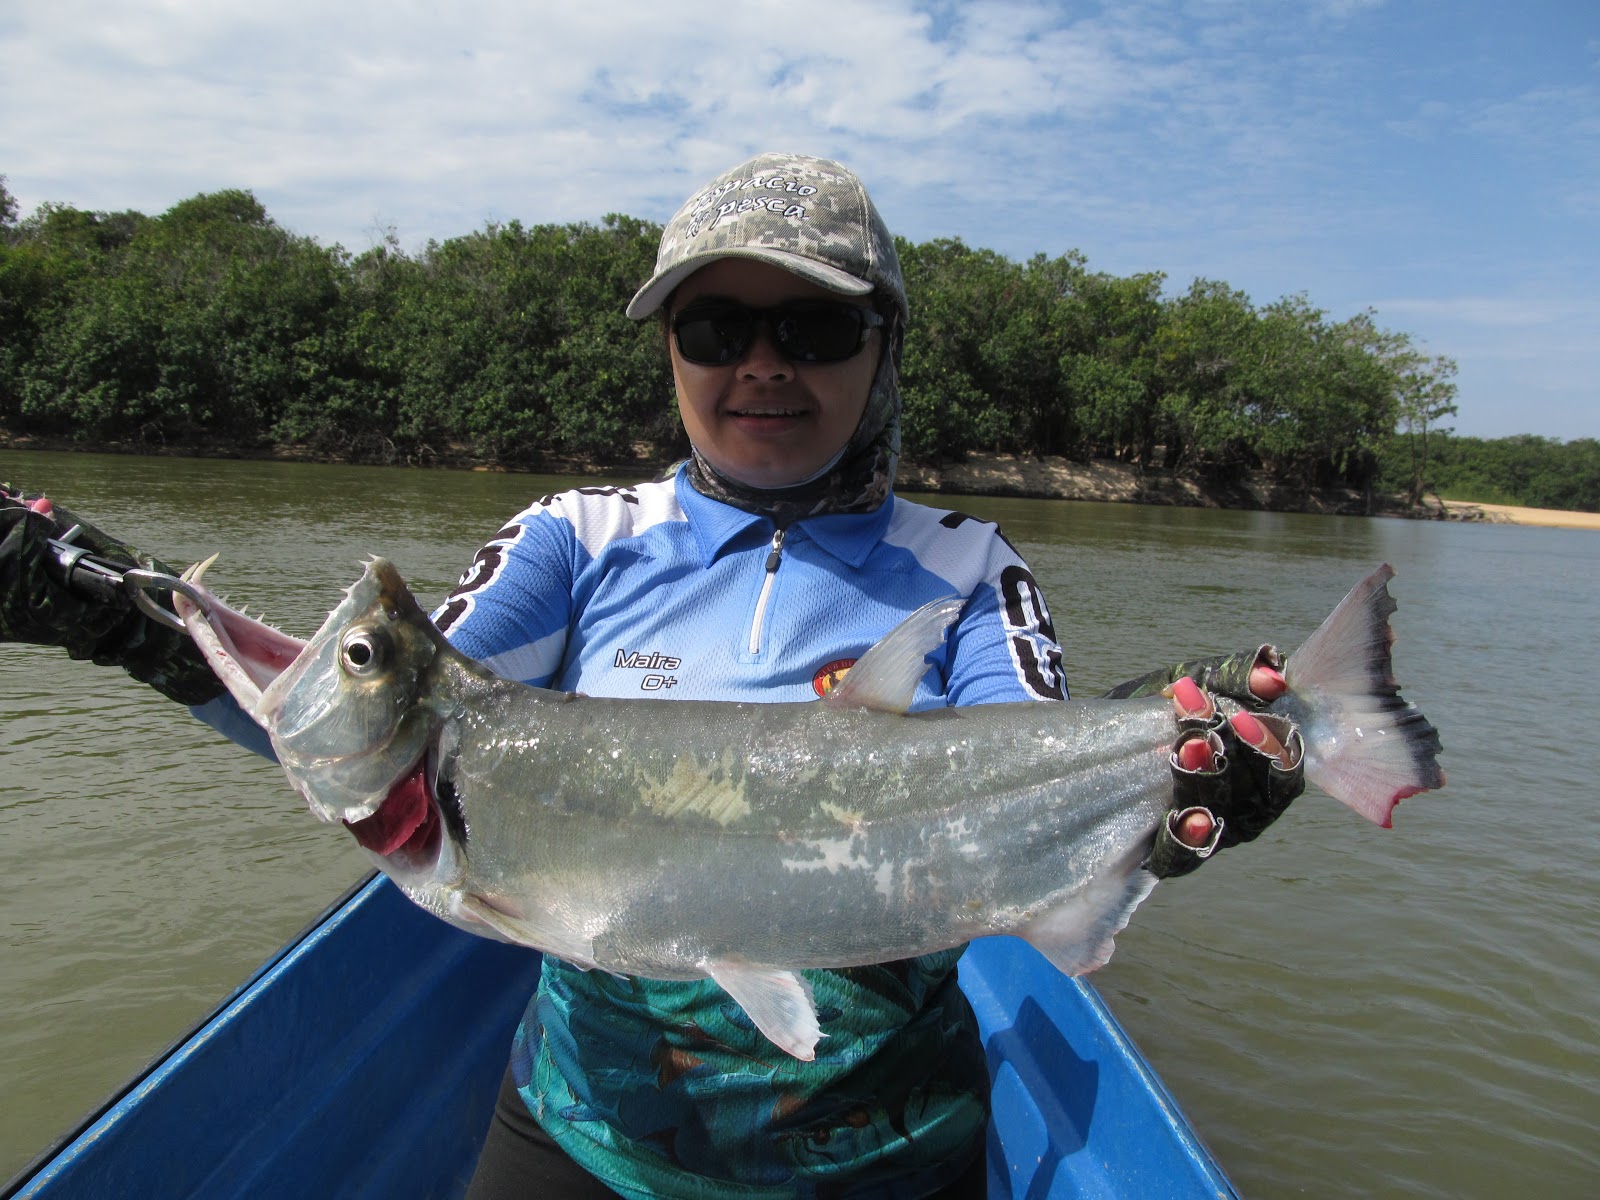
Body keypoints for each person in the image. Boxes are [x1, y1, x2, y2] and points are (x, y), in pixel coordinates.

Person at [0, 152, 1302, 1199]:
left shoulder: (968, 566)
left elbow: (1017, 766)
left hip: (886, 1153)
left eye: (813, 326)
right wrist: (128, 616)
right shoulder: (572, 539)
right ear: (673, 348)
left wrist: (1158, 758)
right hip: (588, 1131)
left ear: (882, 348)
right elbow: (384, 732)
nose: (761, 363)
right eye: (716, 325)